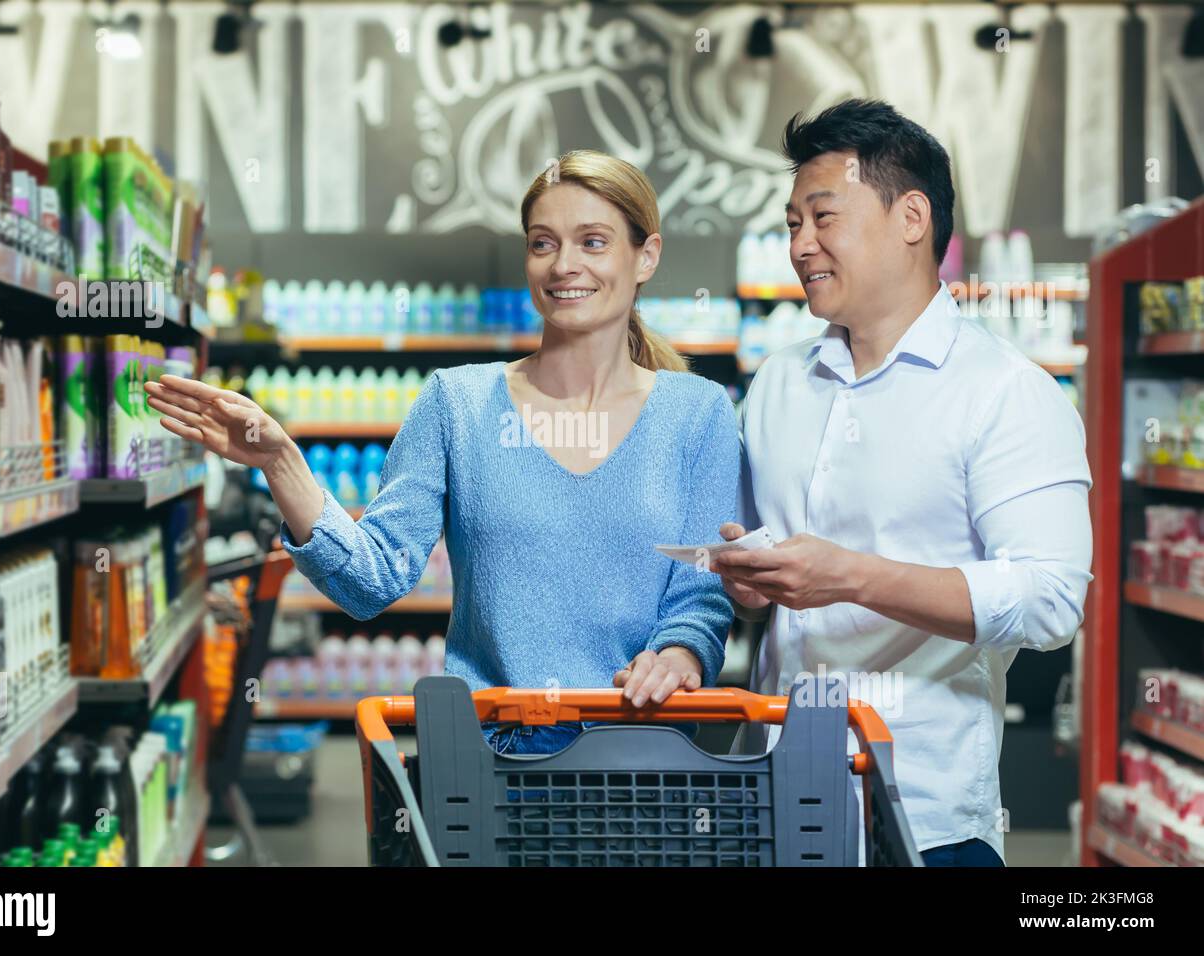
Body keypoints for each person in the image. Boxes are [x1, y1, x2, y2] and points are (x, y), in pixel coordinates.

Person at [145, 149, 739, 756]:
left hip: (642, 758)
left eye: (593, 242)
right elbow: (371, 580)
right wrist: (281, 462)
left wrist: (681, 651)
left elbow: (700, 590)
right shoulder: (458, 403)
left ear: (647, 256)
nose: (564, 266)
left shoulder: (698, 413)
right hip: (493, 764)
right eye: (543, 243)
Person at [711, 99, 1092, 867]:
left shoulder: (1005, 391)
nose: (801, 245)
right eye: (791, 224)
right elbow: (756, 574)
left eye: (823, 217)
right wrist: (746, 582)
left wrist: (850, 577)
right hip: (775, 797)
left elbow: (1052, 599)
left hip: (922, 813)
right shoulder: (779, 383)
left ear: (911, 217)